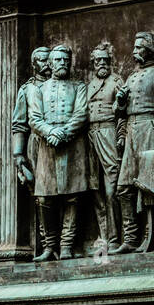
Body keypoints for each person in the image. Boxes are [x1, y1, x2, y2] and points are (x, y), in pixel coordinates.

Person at [114, 31, 154, 252]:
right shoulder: (130, 77)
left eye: (139, 47)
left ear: (149, 50)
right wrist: (119, 103)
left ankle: (151, 236)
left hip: (149, 129)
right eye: (134, 47)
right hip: (131, 131)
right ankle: (130, 239)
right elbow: (119, 113)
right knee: (123, 188)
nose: (134, 51)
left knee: (149, 187)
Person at [28, 43, 89, 260]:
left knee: (72, 198)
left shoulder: (78, 87)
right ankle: (49, 246)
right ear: (51, 63)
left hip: (72, 147)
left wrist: (63, 133)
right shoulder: (38, 90)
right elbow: (34, 118)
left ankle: (66, 246)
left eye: (65, 60)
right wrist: (50, 132)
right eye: (58, 60)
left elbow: (81, 113)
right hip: (47, 147)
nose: (62, 63)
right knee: (45, 199)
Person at [86, 41, 125, 255]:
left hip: (109, 133)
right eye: (98, 60)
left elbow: (123, 112)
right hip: (90, 136)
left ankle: (116, 237)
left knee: (112, 188)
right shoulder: (89, 85)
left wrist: (120, 136)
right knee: (95, 189)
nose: (102, 63)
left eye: (105, 60)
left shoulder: (116, 81)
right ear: (93, 63)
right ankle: (104, 236)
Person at [11, 45, 51, 187]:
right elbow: (19, 125)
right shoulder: (27, 89)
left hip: (61, 140)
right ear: (34, 64)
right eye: (42, 60)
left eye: (49, 60)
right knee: (40, 190)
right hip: (36, 143)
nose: (47, 64)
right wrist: (18, 154)